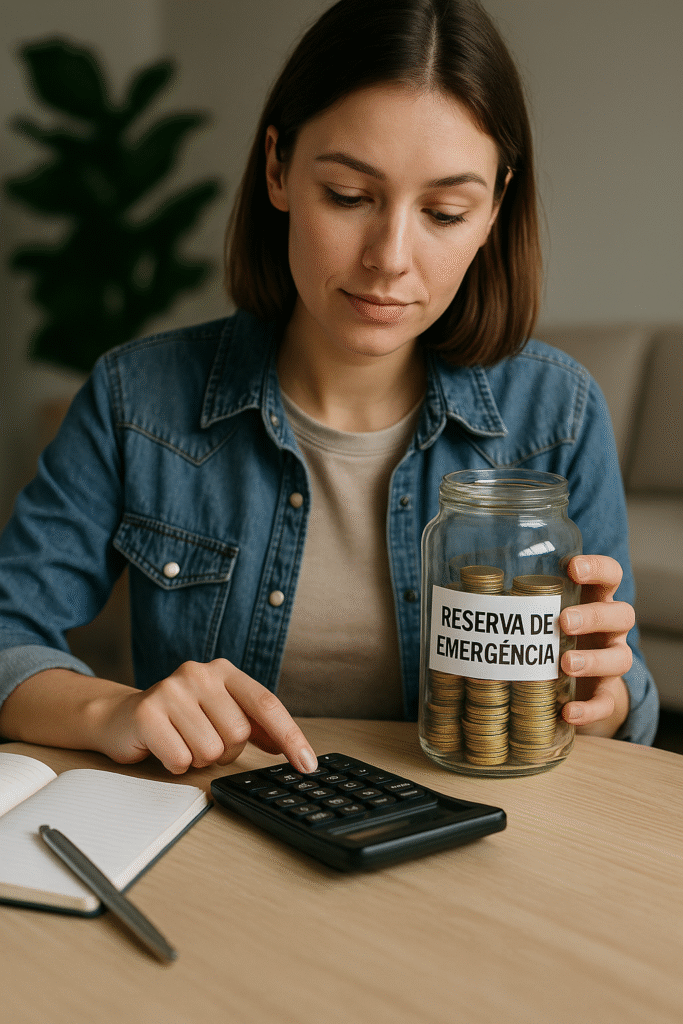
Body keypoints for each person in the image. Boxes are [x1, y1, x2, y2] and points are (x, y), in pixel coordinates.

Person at [0, 0, 658, 774]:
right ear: (277, 168)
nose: (389, 257)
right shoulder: (134, 399)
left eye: (445, 212)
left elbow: (619, 696)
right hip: (218, 839)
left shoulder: (557, 413)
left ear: (493, 211)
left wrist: (607, 700)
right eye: (349, 196)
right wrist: (113, 707)